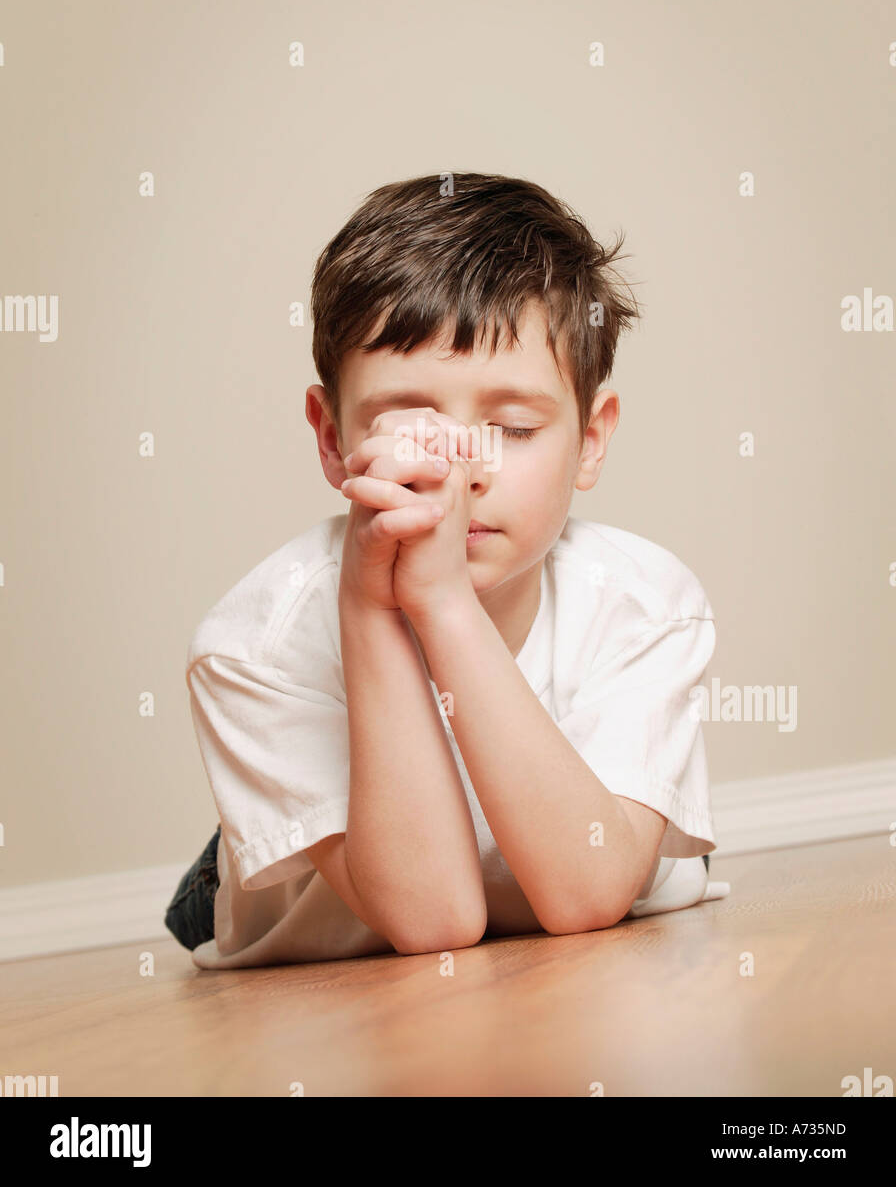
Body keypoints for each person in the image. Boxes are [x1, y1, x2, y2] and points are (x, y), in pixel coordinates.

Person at [164, 172, 729, 969]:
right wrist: (370, 608)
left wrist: (443, 604)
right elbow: (434, 926)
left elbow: (588, 895)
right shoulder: (252, 647)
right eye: (412, 425)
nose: (461, 472)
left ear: (590, 440)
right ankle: (251, 833)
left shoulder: (645, 600)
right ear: (331, 440)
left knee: (649, 853)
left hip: (592, 840)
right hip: (332, 894)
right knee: (236, 872)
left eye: (512, 427)